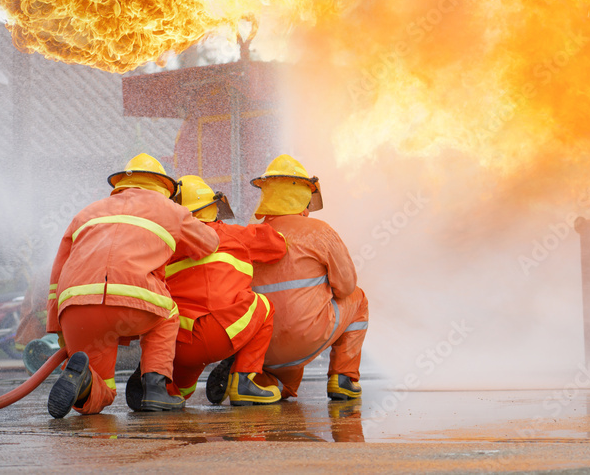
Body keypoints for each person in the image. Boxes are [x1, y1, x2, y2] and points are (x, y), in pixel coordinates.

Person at [45, 154, 220, 418]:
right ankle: (155, 389)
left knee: (104, 390)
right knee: (168, 314)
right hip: (132, 302)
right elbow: (209, 242)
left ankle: (85, 382)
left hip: (76, 306)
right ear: (164, 187)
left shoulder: (87, 212)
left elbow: (57, 273)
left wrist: (55, 324)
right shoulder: (170, 210)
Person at [126, 175, 287, 407]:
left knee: (180, 393)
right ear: (214, 206)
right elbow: (277, 245)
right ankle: (243, 381)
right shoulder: (231, 234)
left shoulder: (165, 244)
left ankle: (157, 387)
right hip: (222, 332)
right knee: (262, 304)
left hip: (178, 341)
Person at [237, 155, 369, 400]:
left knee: (287, 385)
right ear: (303, 197)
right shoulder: (320, 231)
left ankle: (261, 381)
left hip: (258, 344)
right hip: (306, 337)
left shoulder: (247, 234)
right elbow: (346, 287)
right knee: (359, 299)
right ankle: (343, 378)